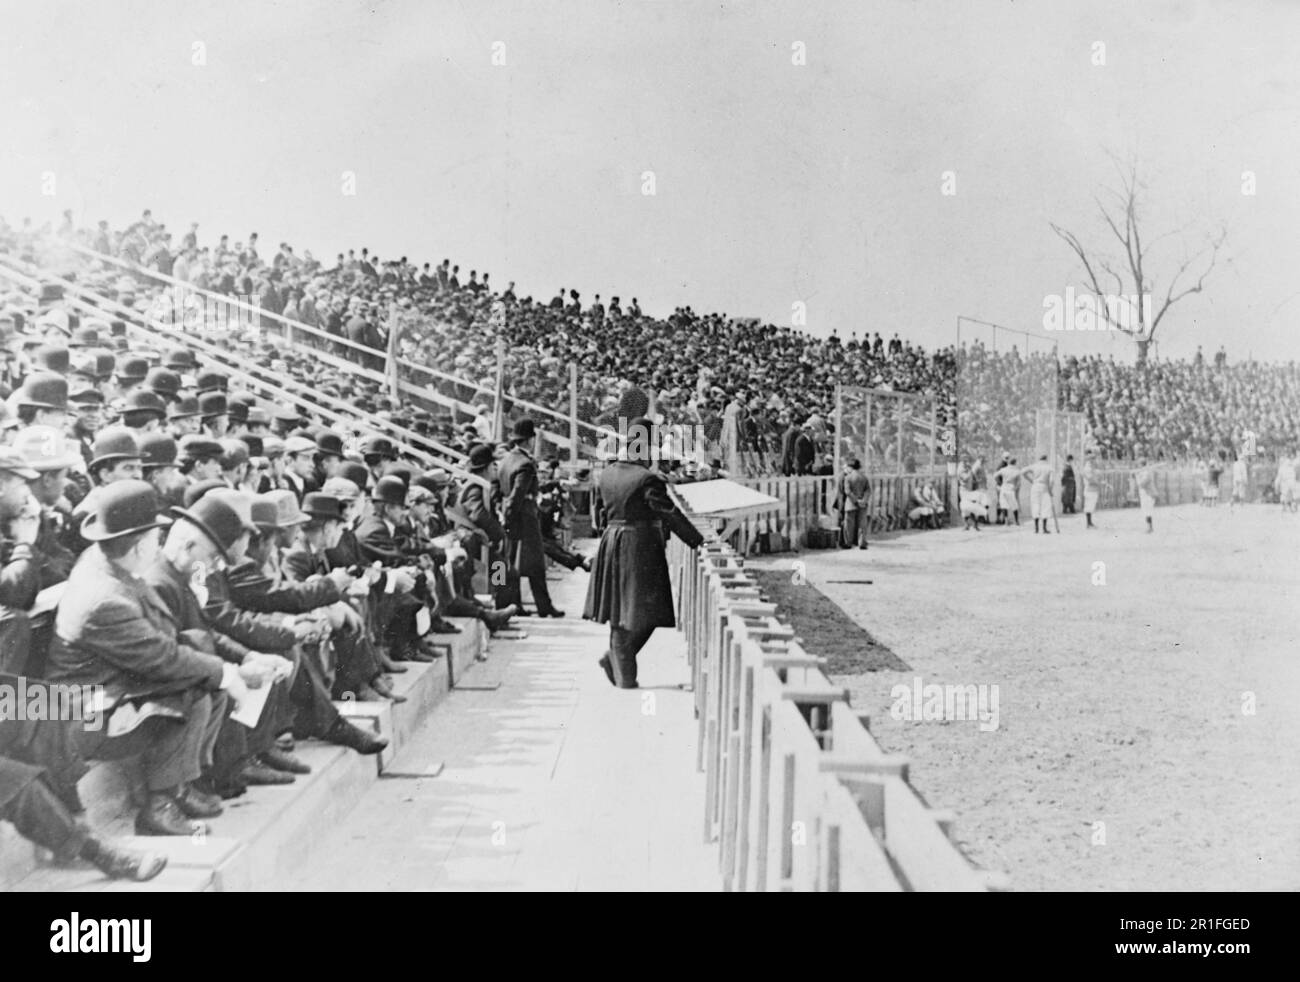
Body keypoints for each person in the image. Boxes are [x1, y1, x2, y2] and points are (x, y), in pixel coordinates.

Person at [44, 481, 237, 836]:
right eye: (154, 537)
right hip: (82, 713)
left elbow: (160, 640)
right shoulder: (105, 599)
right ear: (136, 547)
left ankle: (178, 785)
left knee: (198, 656)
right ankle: (159, 805)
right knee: (191, 688)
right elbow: (162, 658)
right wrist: (225, 672)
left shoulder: (109, 564)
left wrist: (213, 666)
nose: (160, 543)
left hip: (108, 688)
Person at [583, 417, 704, 689]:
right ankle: (623, 673)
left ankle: (618, 664)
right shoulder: (646, 478)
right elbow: (668, 513)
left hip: (612, 541)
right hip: (639, 546)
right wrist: (698, 541)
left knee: (620, 610)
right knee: (646, 611)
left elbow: (600, 514)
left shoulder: (608, 473)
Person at [497, 418, 563, 617]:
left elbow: (500, 489)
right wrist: (509, 515)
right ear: (530, 440)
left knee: (507, 563)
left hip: (508, 515)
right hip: (524, 517)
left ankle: (512, 603)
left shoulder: (505, 460)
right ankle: (544, 606)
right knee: (535, 564)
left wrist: (502, 513)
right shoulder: (525, 464)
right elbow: (518, 494)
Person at [838, 458, 870, 549]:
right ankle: (862, 543)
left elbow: (847, 491)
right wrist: (863, 500)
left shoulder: (848, 477)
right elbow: (868, 491)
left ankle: (848, 543)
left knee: (849, 525)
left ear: (851, 467)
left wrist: (856, 500)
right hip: (863, 505)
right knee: (862, 524)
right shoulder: (864, 477)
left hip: (850, 504)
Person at [1022, 454, 1055, 534]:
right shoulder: (1049, 467)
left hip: (1035, 486)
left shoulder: (1035, 466)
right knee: (1045, 506)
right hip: (1044, 487)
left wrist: (1031, 480)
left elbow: (1023, 472)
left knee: (1035, 505)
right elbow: (1051, 481)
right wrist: (1050, 490)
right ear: (1046, 459)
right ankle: (1044, 528)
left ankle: (1036, 528)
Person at [1134, 458, 1157, 532]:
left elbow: (1141, 484)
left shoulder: (1147, 473)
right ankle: (1149, 527)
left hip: (1149, 494)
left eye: (1139, 465)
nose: (1138, 466)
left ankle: (1150, 528)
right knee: (1145, 511)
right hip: (1144, 494)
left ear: (1141, 464)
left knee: (1148, 511)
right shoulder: (1143, 472)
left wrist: (1137, 476)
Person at [1081, 450, 1100, 529]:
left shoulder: (1092, 468)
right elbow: (1090, 479)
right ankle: (1088, 523)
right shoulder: (1088, 468)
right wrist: (1098, 482)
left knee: (1091, 506)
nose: (1095, 461)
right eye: (1093, 459)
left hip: (1093, 489)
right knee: (1089, 506)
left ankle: (1090, 522)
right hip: (1090, 489)